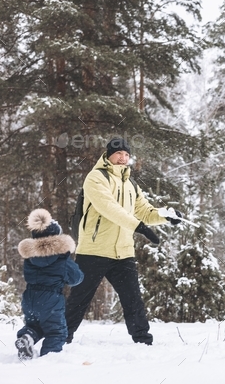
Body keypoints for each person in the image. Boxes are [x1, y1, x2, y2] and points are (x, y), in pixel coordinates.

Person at [65, 137, 182, 346]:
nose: (123, 158)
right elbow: (109, 209)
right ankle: (61, 337)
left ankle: (143, 341)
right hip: (94, 250)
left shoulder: (130, 184)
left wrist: (166, 215)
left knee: (133, 299)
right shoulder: (96, 178)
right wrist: (139, 227)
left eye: (126, 155)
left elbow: (145, 212)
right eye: (119, 153)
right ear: (108, 155)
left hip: (123, 252)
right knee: (79, 299)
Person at [15, 208, 84, 359]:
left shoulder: (30, 258)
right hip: (51, 300)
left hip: (29, 298)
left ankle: (27, 338)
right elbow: (76, 278)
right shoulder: (62, 259)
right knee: (56, 332)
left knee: (34, 326)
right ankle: (48, 360)